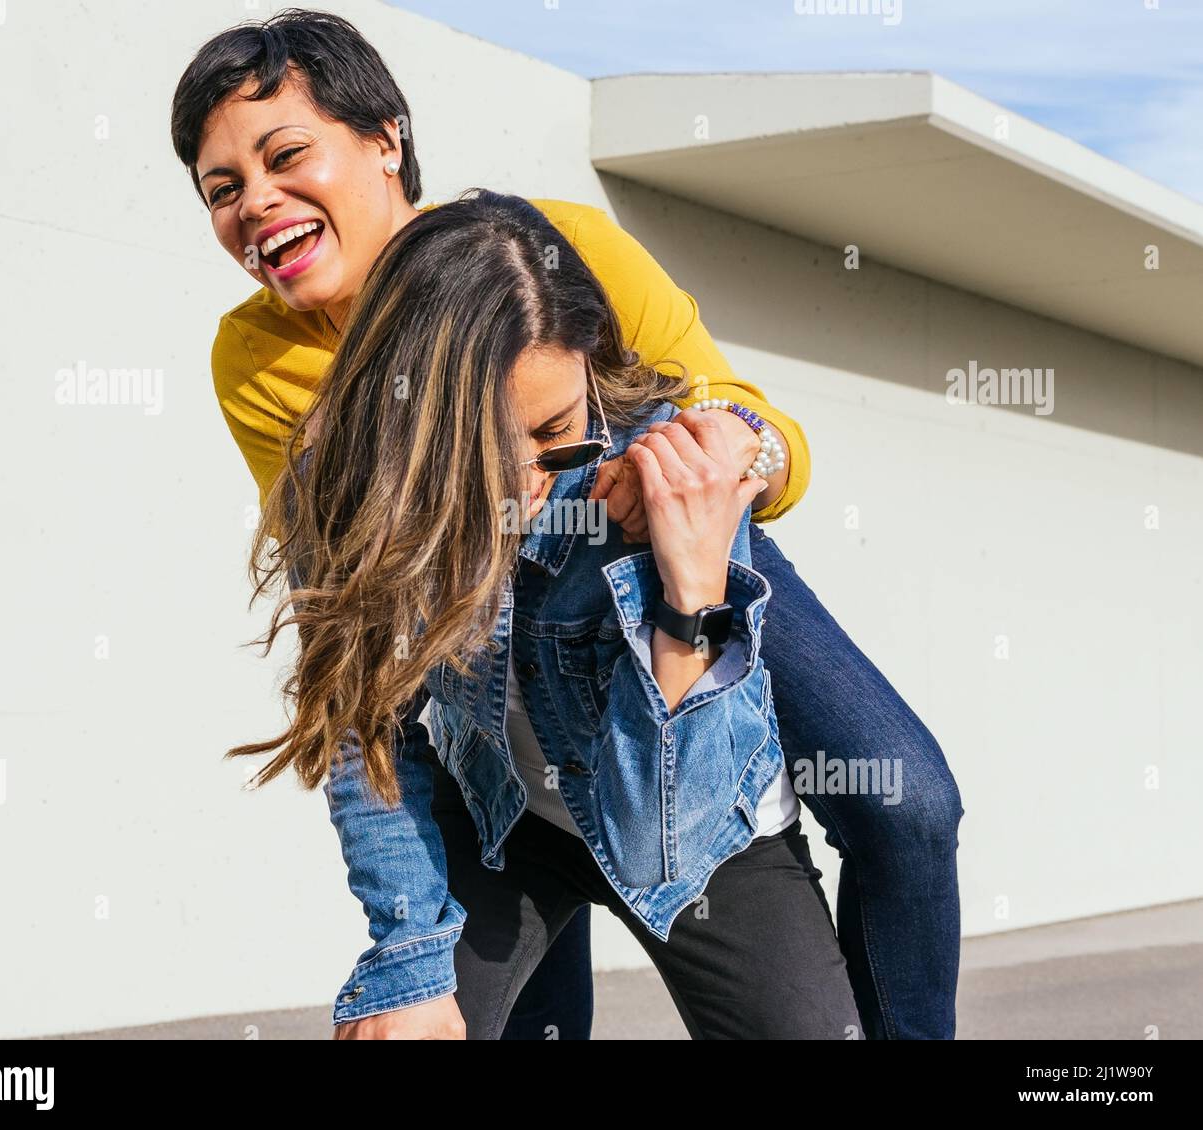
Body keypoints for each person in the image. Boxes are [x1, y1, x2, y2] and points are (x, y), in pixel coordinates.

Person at [173, 7, 963, 1039]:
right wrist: (408, 958)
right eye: (221, 189)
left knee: (903, 798)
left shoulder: (552, 255)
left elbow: (749, 422)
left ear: (384, 140)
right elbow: (356, 623)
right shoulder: (261, 364)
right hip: (490, 670)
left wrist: (720, 469)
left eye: (285, 157)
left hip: (662, 568)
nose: (255, 205)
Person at [233, 188, 863, 1039]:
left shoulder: (667, 465)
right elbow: (363, 729)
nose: (525, 483)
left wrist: (689, 587)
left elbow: (656, 839)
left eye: (555, 432)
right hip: (509, 813)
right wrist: (409, 957)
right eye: (482, 449)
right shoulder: (343, 480)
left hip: (704, 826)